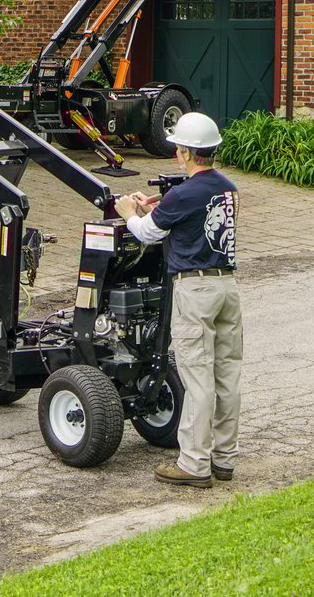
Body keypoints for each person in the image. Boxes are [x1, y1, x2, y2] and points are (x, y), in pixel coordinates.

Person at [114, 111, 242, 488]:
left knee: (197, 376)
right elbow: (194, 219)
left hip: (195, 289)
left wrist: (129, 213)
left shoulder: (184, 193)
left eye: (177, 148)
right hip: (226, 287)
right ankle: (224, 458)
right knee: (226, 374)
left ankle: (194, 464)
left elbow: (148, 235)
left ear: (185, 152)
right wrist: (162, 207)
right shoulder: (227, 188)